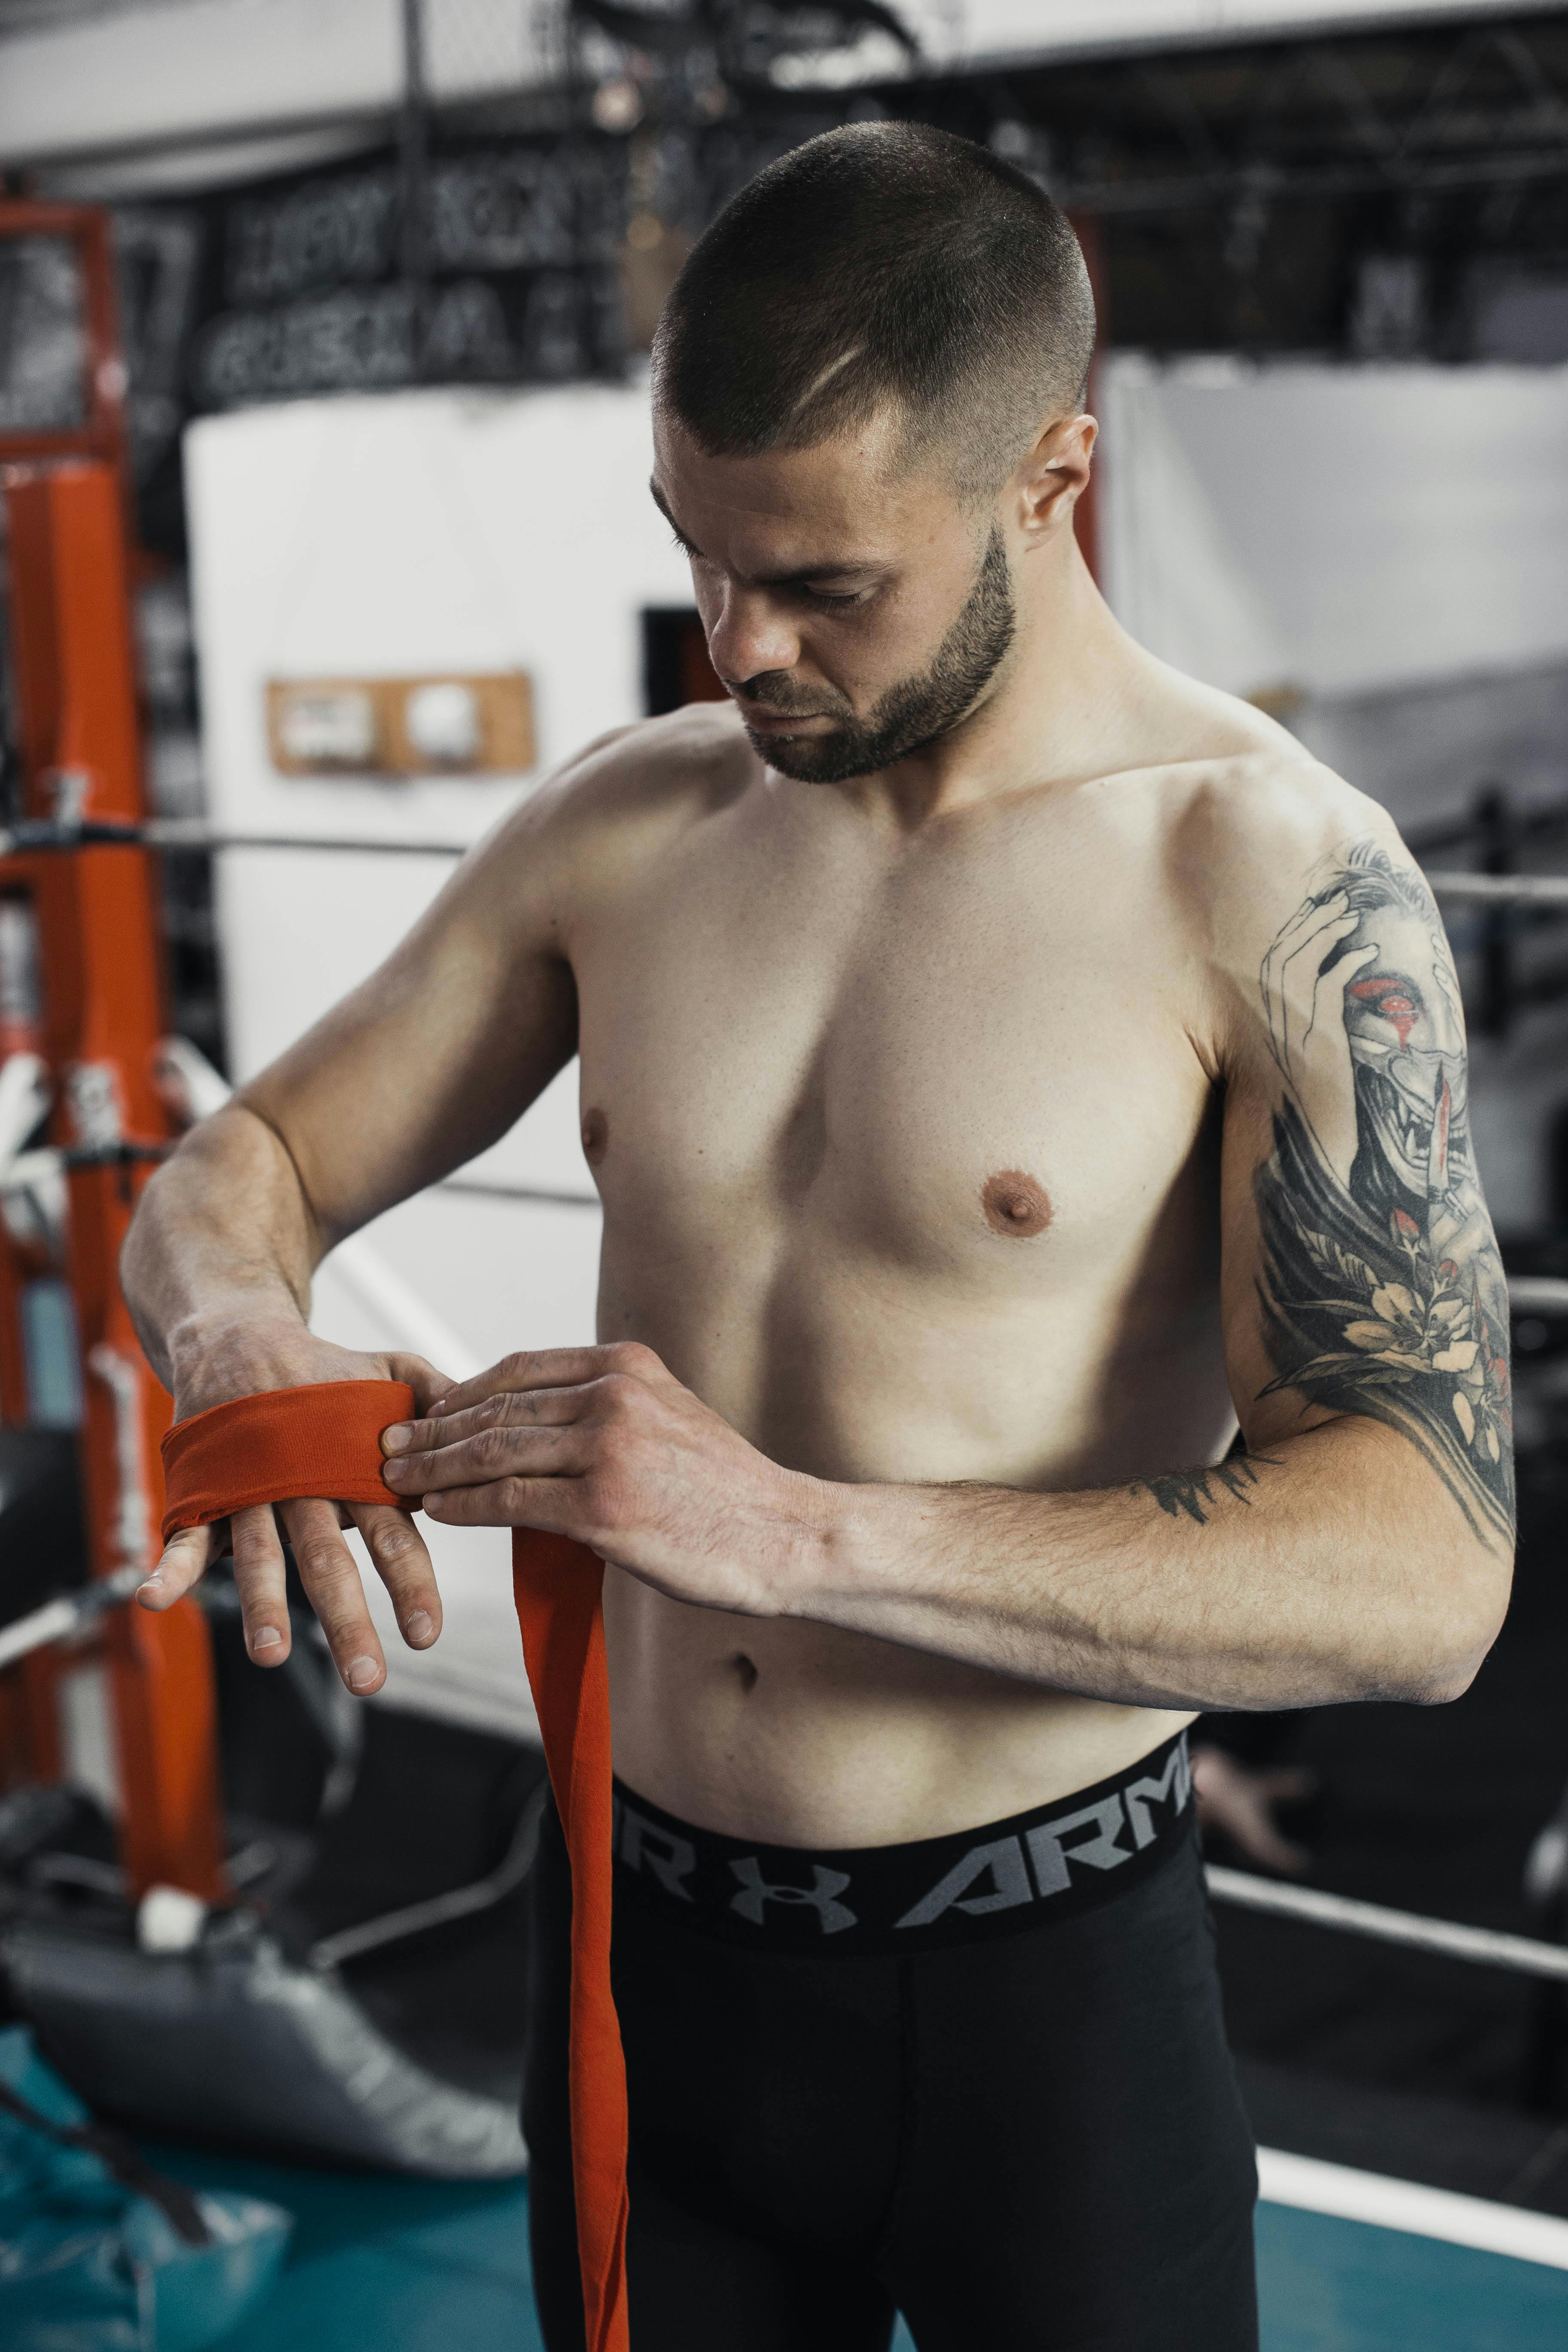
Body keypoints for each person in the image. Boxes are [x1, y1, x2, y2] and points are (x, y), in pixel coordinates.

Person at [122, 124, 1514, 2352]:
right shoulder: (630, 823)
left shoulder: (1259, 878)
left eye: (824, 585)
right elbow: (241, 1164)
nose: (737, 646)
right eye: (699, 555)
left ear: (1051, 480)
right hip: (644, 1963)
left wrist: (792, 1535)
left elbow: (1423, 1574)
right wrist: (228, 1343)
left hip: (1039, 2000)